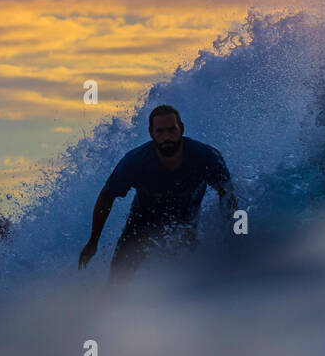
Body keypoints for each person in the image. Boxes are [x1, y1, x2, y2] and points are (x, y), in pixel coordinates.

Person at [78, 104, 237, 281]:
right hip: (142, 223)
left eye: (172, 130)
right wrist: (93, 241)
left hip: (185, 224)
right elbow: (106, 196)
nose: (166, 137)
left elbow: (227, 194)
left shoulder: (206, 157)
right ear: (151, 133)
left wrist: (231, 235)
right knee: (118, 277)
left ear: (181, 129)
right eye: (160, 132)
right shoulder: (135, 162)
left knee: (187, 280)